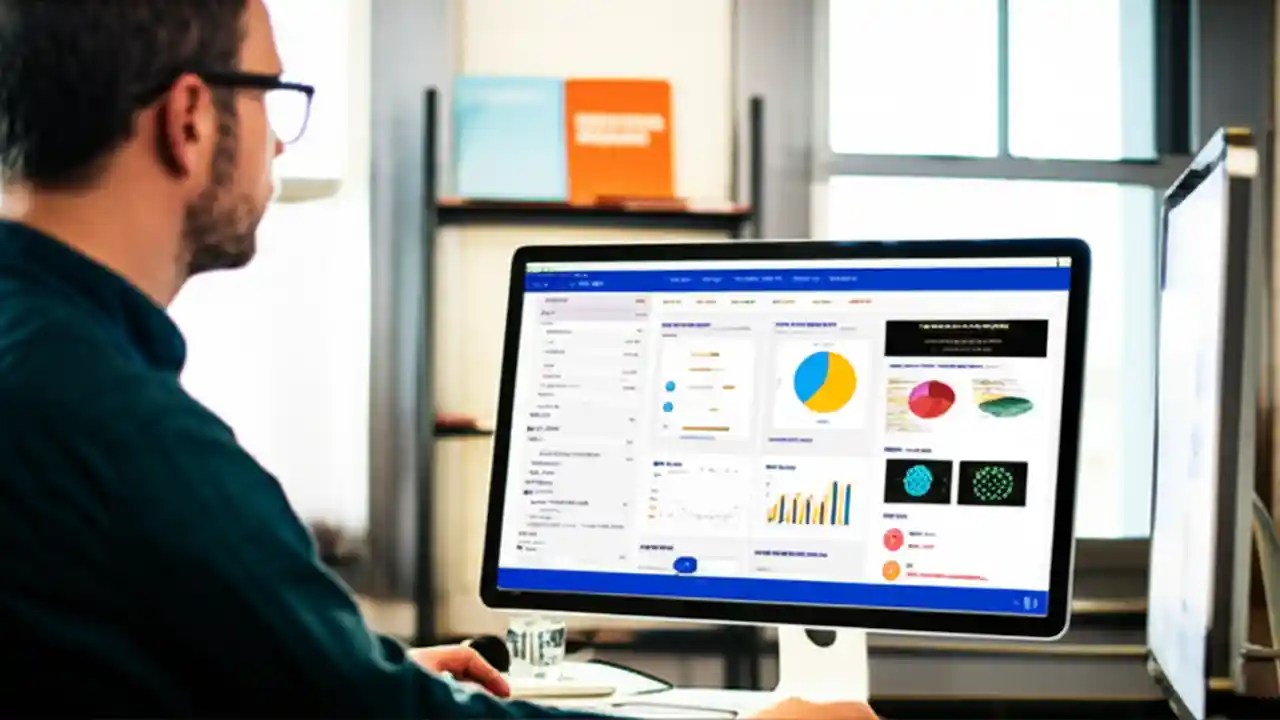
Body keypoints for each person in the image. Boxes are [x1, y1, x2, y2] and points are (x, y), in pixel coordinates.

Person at [0, 1, 876, 718]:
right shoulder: (131, 437)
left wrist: (353, 665)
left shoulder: (42, 361)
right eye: (270, 92)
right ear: (189, 119)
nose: (276, 140)